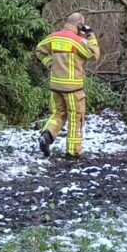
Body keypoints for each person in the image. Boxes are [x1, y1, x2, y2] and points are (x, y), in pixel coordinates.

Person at [35, 11, 100, 159]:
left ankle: (46, 136)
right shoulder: (78, 41)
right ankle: (73, 152)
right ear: (80, 25)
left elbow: (39, 50)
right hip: (73, 89)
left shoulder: (53, 37)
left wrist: (50, 63)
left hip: (55, 86)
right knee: (76, 118)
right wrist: (90, 35)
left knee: (58, 114)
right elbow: (94, 54)